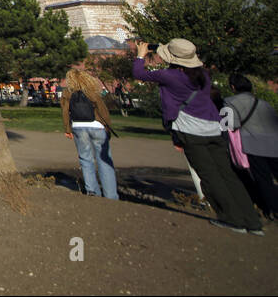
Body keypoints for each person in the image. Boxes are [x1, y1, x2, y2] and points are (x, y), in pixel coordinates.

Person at [133, 39, 262, 235]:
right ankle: (252, 222)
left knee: (210, 177)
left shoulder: (170, 76)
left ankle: (232, 219)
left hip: (191, 131)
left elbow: (138, 73)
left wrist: (140, 55)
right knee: (228, 175)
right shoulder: (203, 75)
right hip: (214, 128)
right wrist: (159, 48)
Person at [61, 64, 119, 199]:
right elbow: (103, 111)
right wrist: (107, 127)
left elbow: (65, 112)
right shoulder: (91, 92)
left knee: (85, 159)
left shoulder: (67, 93)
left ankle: (92, 191)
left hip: (78, 127)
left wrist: (67, 129)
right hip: (97, 126)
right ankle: (111, 195)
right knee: (104, 160)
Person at [224, 74, 278, 220]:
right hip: (274, 143)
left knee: (264, 178)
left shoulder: (229, 102)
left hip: (254, 144)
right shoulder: (264, 103)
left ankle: (273, 208)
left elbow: (231, 124)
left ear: (233, 87)